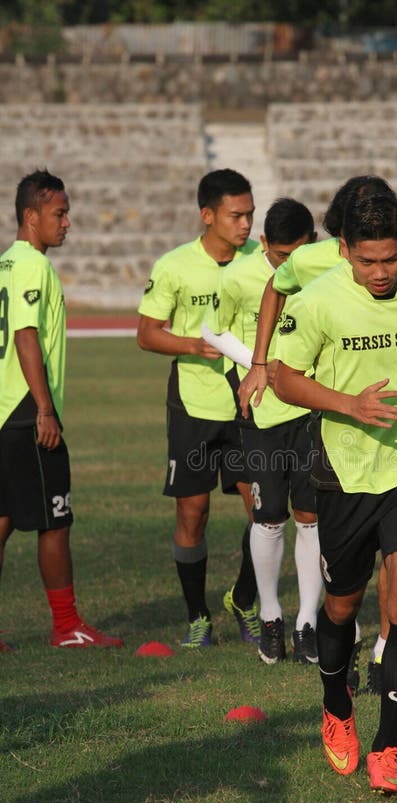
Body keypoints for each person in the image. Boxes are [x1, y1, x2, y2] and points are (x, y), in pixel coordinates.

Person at [237, 174, 397, 692]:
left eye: (388, 259)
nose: (378, 271)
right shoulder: (312, 268)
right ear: (343, 239)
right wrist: (261, 362)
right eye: (365, 259)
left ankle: (383, 656)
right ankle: (322, 639)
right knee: (332, 565)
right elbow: (274, 295)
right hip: (332, 425)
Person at [0, 169, 123, 650]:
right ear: (31, 217)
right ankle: (66, 625)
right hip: (28, 410)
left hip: (3, 409)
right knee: (55, 519)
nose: (67, 222)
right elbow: (25, 335)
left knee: (4, 517)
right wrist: (46, 409)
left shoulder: (5, 263)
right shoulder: (33, 266)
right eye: (59, 213)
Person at [137, 169, 259, 648]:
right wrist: (193, 344)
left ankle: (245, 600)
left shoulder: (260, 263)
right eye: (236, 215)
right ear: (207, 215)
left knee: (264, 510)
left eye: (250, 213)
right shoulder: (174, 266)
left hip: (247, 405)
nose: (246, 223)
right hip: (192, 404)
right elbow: (147, 333)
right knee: (193, 513)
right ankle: (198, 617)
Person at [202, 198, 323, 664]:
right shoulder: (238, 277)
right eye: (280, 256)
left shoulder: (325, 271)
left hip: (311, 411)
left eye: (299, 254)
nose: (289, 266)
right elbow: (212, 331)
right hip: (262, 415)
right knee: (269, 516)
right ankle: (270, 616)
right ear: (264, 244)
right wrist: (257, 366)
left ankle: (306, 623)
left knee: (311, 517)